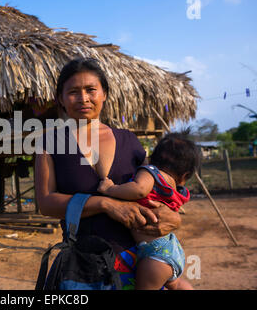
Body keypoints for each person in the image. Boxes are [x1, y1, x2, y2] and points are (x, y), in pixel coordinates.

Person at [35, 58, 182, 290]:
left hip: (138, 267)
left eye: (91, 90)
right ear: (61, 99)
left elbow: (157, 189)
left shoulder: (130, 141)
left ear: (104, 93)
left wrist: (174, 218)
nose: (83, 98)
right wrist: (106, 204)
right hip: (82, 268)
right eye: (73, 92)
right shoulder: (50, 143)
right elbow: (46, 203)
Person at [98, 133, 199, 289]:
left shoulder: (150, 172)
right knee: (176, 284)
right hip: (171, 248)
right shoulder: (175, 190)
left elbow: (139, 190)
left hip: (154, 254)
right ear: (184, 176)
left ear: (152, 159)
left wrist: (111, 189)